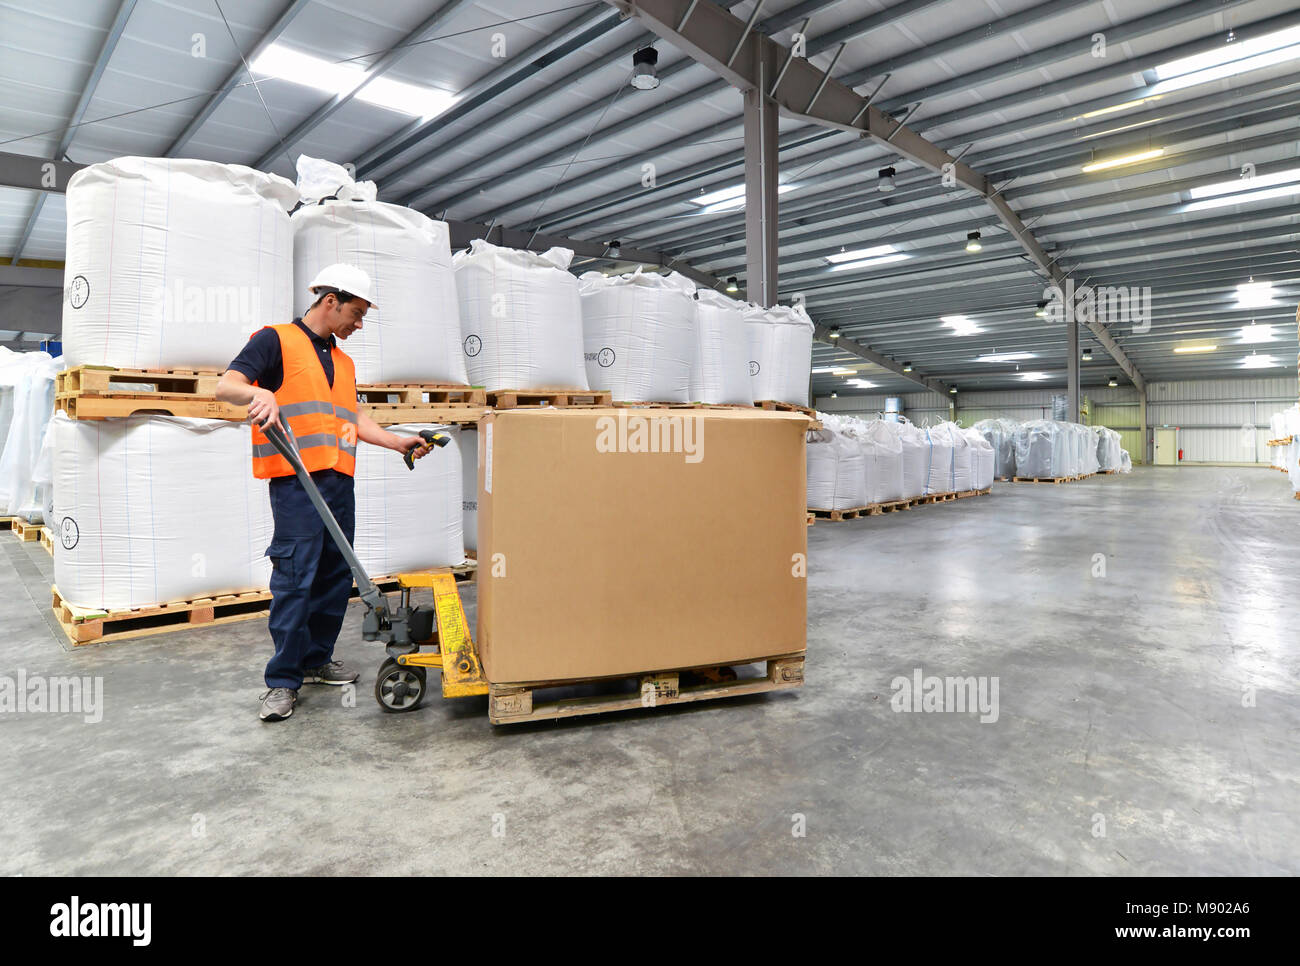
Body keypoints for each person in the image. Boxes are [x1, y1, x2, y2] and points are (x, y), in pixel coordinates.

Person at [216, 264, 431, 722]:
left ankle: (315, 660)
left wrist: (397, 441)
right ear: (330, 301)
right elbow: (227, 384)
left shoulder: (344, 361)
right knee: (296, 577)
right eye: (355, 313)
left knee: (336, 575)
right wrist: (261, 395)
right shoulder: (274, 340)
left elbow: (350, 416)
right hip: (297, 482)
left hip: (338, 480)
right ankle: (282, 681)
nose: (358, 324)